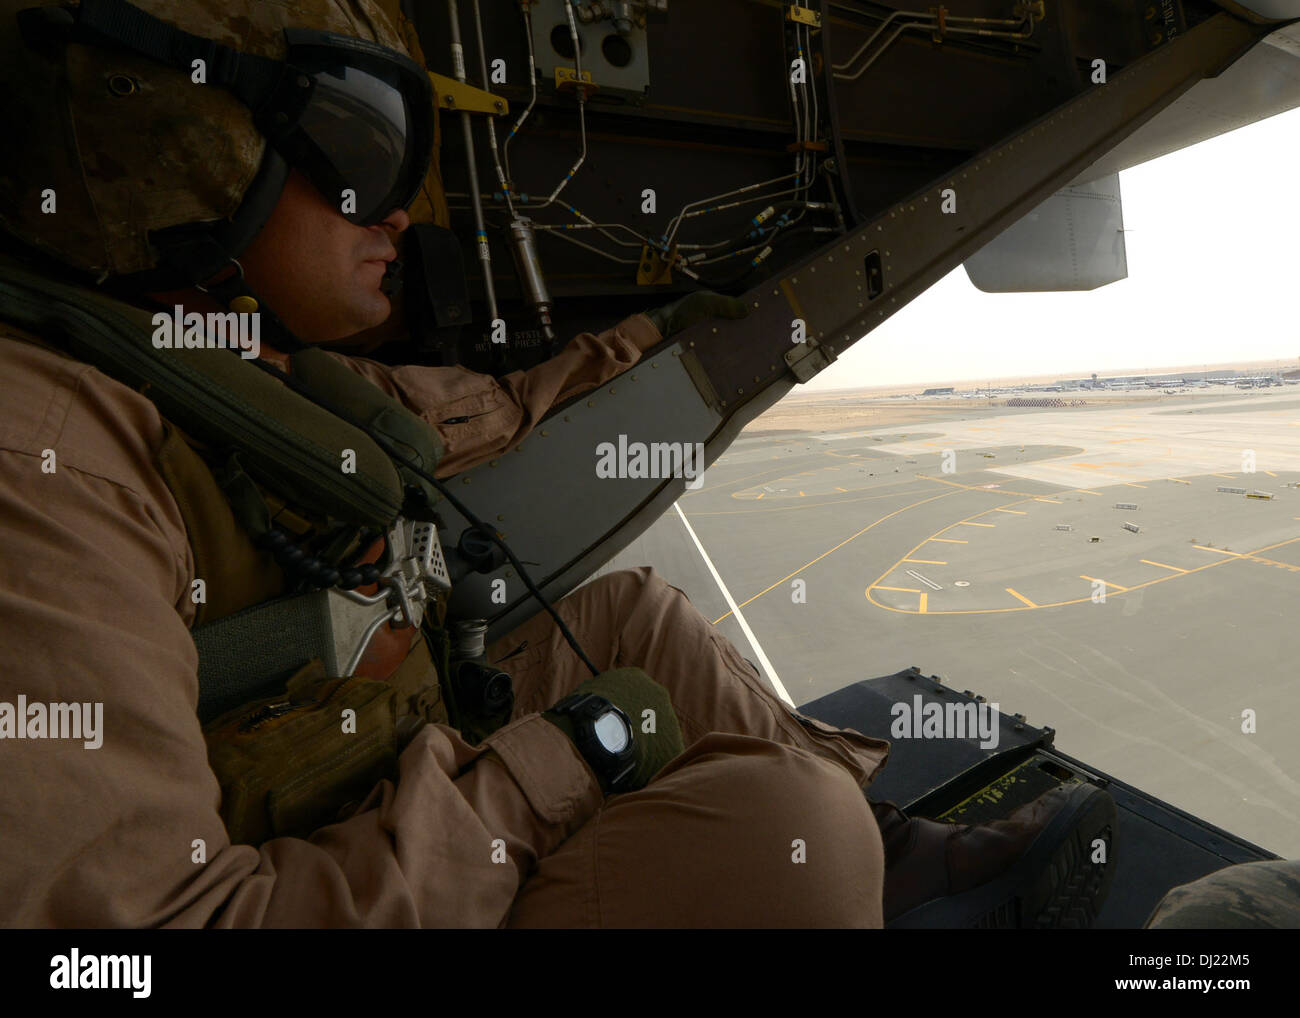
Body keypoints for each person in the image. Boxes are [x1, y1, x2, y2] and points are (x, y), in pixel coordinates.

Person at [0, 0, 1115, 928]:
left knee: (636, 618)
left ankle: (894, 856)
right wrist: (563, 761)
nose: (395, 210)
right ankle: (836, 855)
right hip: (277, 859)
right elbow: (142, 935)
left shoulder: (220, 368)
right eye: (356, 150)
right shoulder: (43, 453)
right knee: (791, 832)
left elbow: (484, 412)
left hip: (335, 745)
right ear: (184, 154)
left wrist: (666, 336)